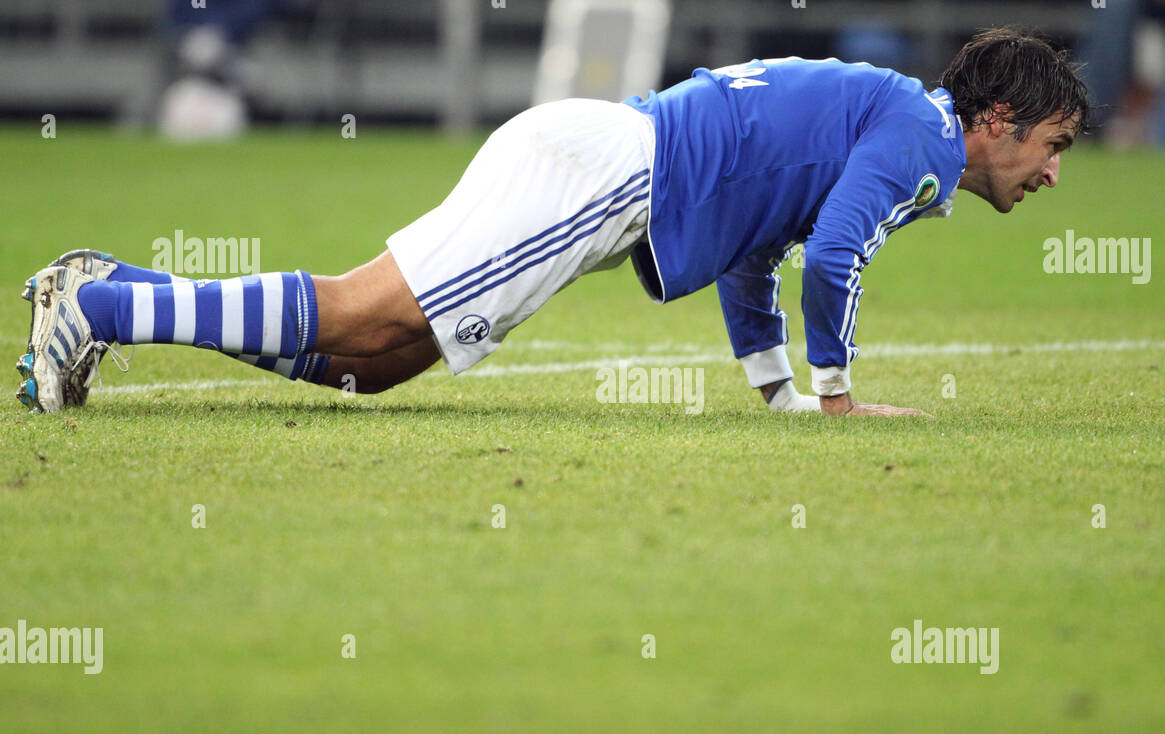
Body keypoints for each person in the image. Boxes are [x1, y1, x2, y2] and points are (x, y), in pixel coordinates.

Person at [16, 27, 1090, 416]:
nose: (1051, 172)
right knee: (355, 315)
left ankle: (114, 283)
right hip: (603, 172)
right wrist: (842, 402)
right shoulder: (917, 136)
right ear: (998, 117)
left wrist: (777, 397)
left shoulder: (896, 120)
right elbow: (839, 255)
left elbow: (763, 250)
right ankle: (103, 305)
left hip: (600, 162)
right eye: (1053, 143)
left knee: (379, 363)